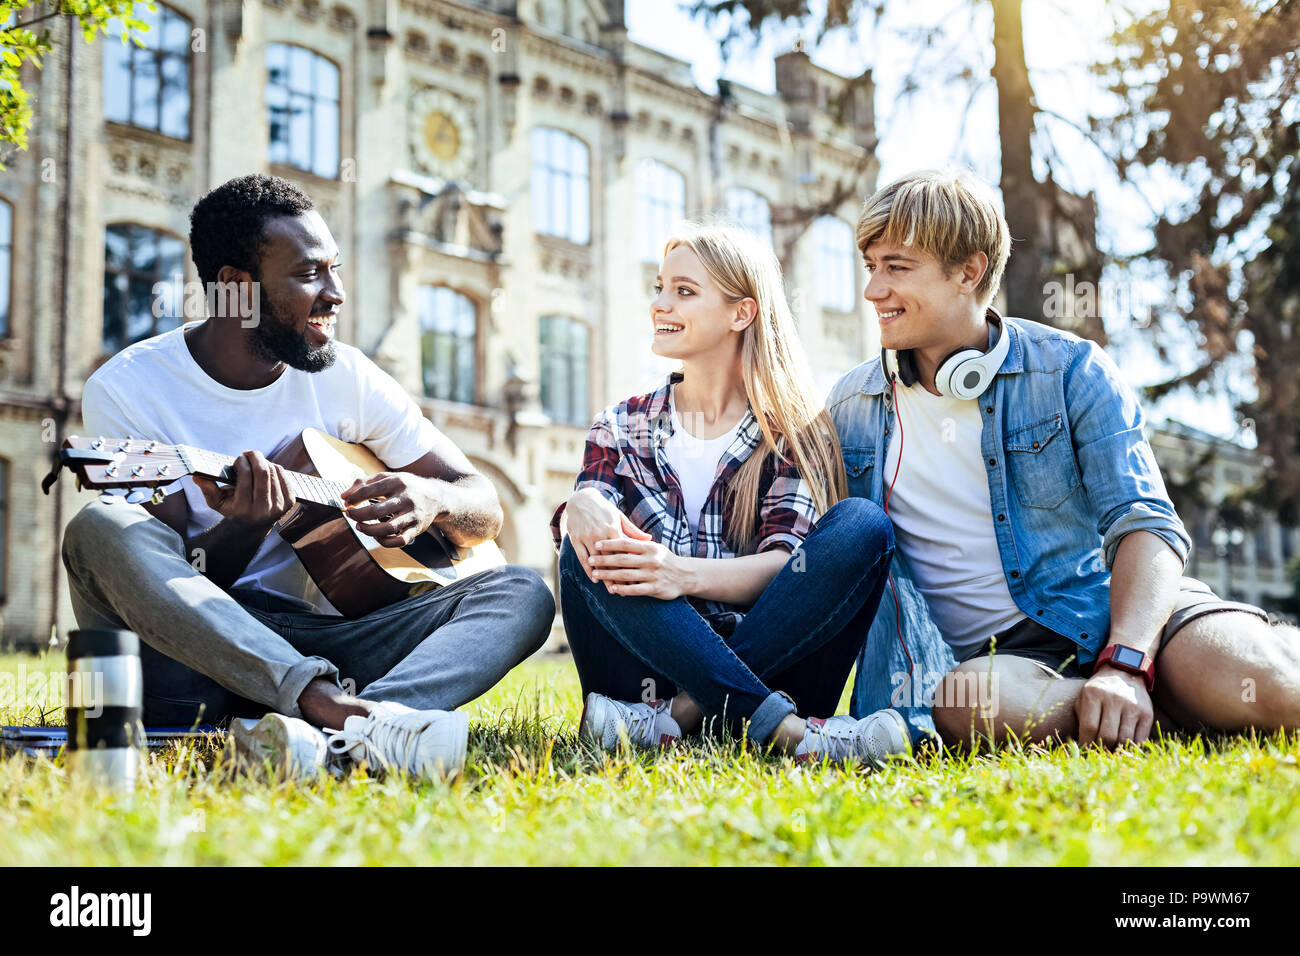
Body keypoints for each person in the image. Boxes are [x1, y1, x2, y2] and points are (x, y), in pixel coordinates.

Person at [62, 174, 555, 781]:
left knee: (521, 593)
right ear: (238, 288)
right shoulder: (129, 388)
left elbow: (483, 505)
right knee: (99, 527)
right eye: (309, 274)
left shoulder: (348, 374)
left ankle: (335, 738)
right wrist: (241, 530)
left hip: (336, 637)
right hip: (201, 662)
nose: (336, 293)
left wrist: (428, 498)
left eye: (336, 269)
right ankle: (345, 718)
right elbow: (161, 588)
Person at [828, 168, 1300, 749]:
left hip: (1126, 621)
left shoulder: (1071, 368)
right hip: (1010, 668)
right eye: (870, 267)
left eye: (896, 268)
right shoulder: (850, 407)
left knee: (1264, 687)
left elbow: (1144, 522)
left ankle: (1167, 684)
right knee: (964, 702)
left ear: (969, 272)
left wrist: (1126, 662)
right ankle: (1165, 708)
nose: (874, 290)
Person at [550, 222, 910, 767]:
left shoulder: (793, 433)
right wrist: (582, 507)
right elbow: (591, 531)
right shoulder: (621, 424)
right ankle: (794, 737)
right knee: (582, 549)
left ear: (741, 313)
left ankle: (675, 720)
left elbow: (789, 568)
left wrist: (680, 573)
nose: (660, 305)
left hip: (771, 663)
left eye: (684, 291)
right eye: (659, 288)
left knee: (863, 525)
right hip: (640, 671)